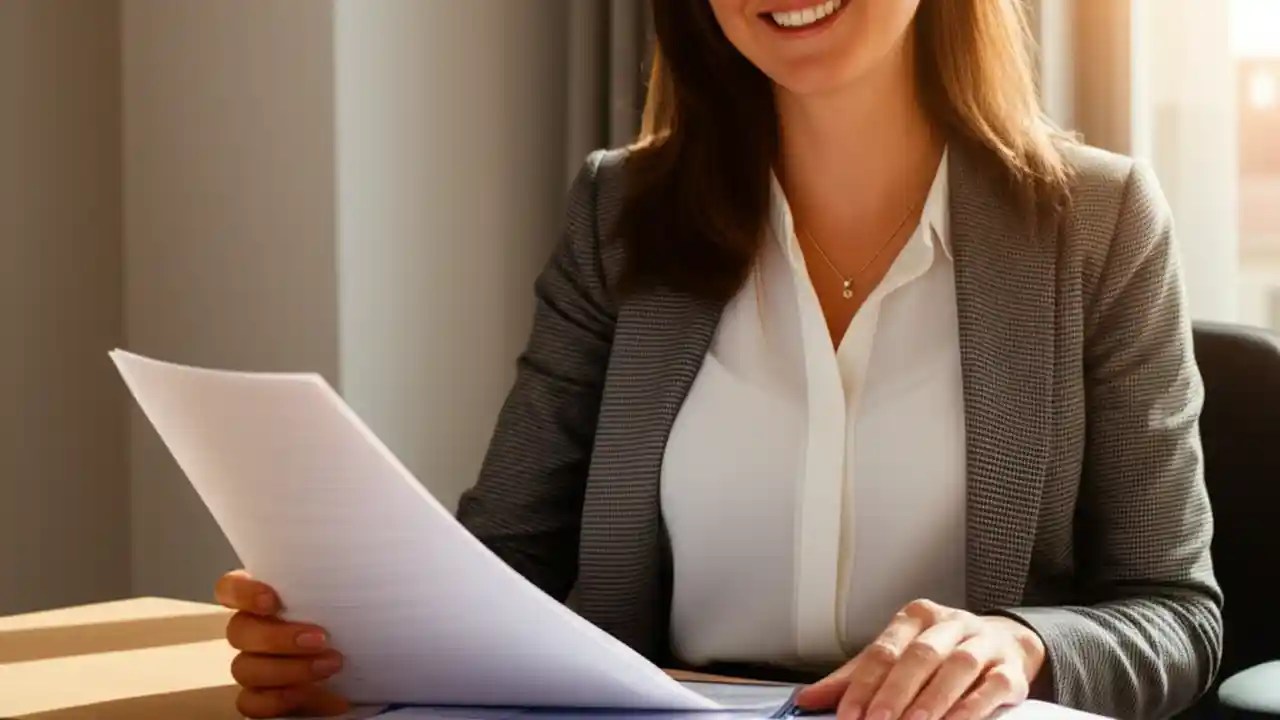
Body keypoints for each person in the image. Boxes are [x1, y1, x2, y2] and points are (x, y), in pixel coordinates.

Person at [213, 0, 1224, 718]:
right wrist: (346, 649)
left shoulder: (1093, 222)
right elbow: (504, 561)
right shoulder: (622, 214)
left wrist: (1022, 643)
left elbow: (1176, 619)